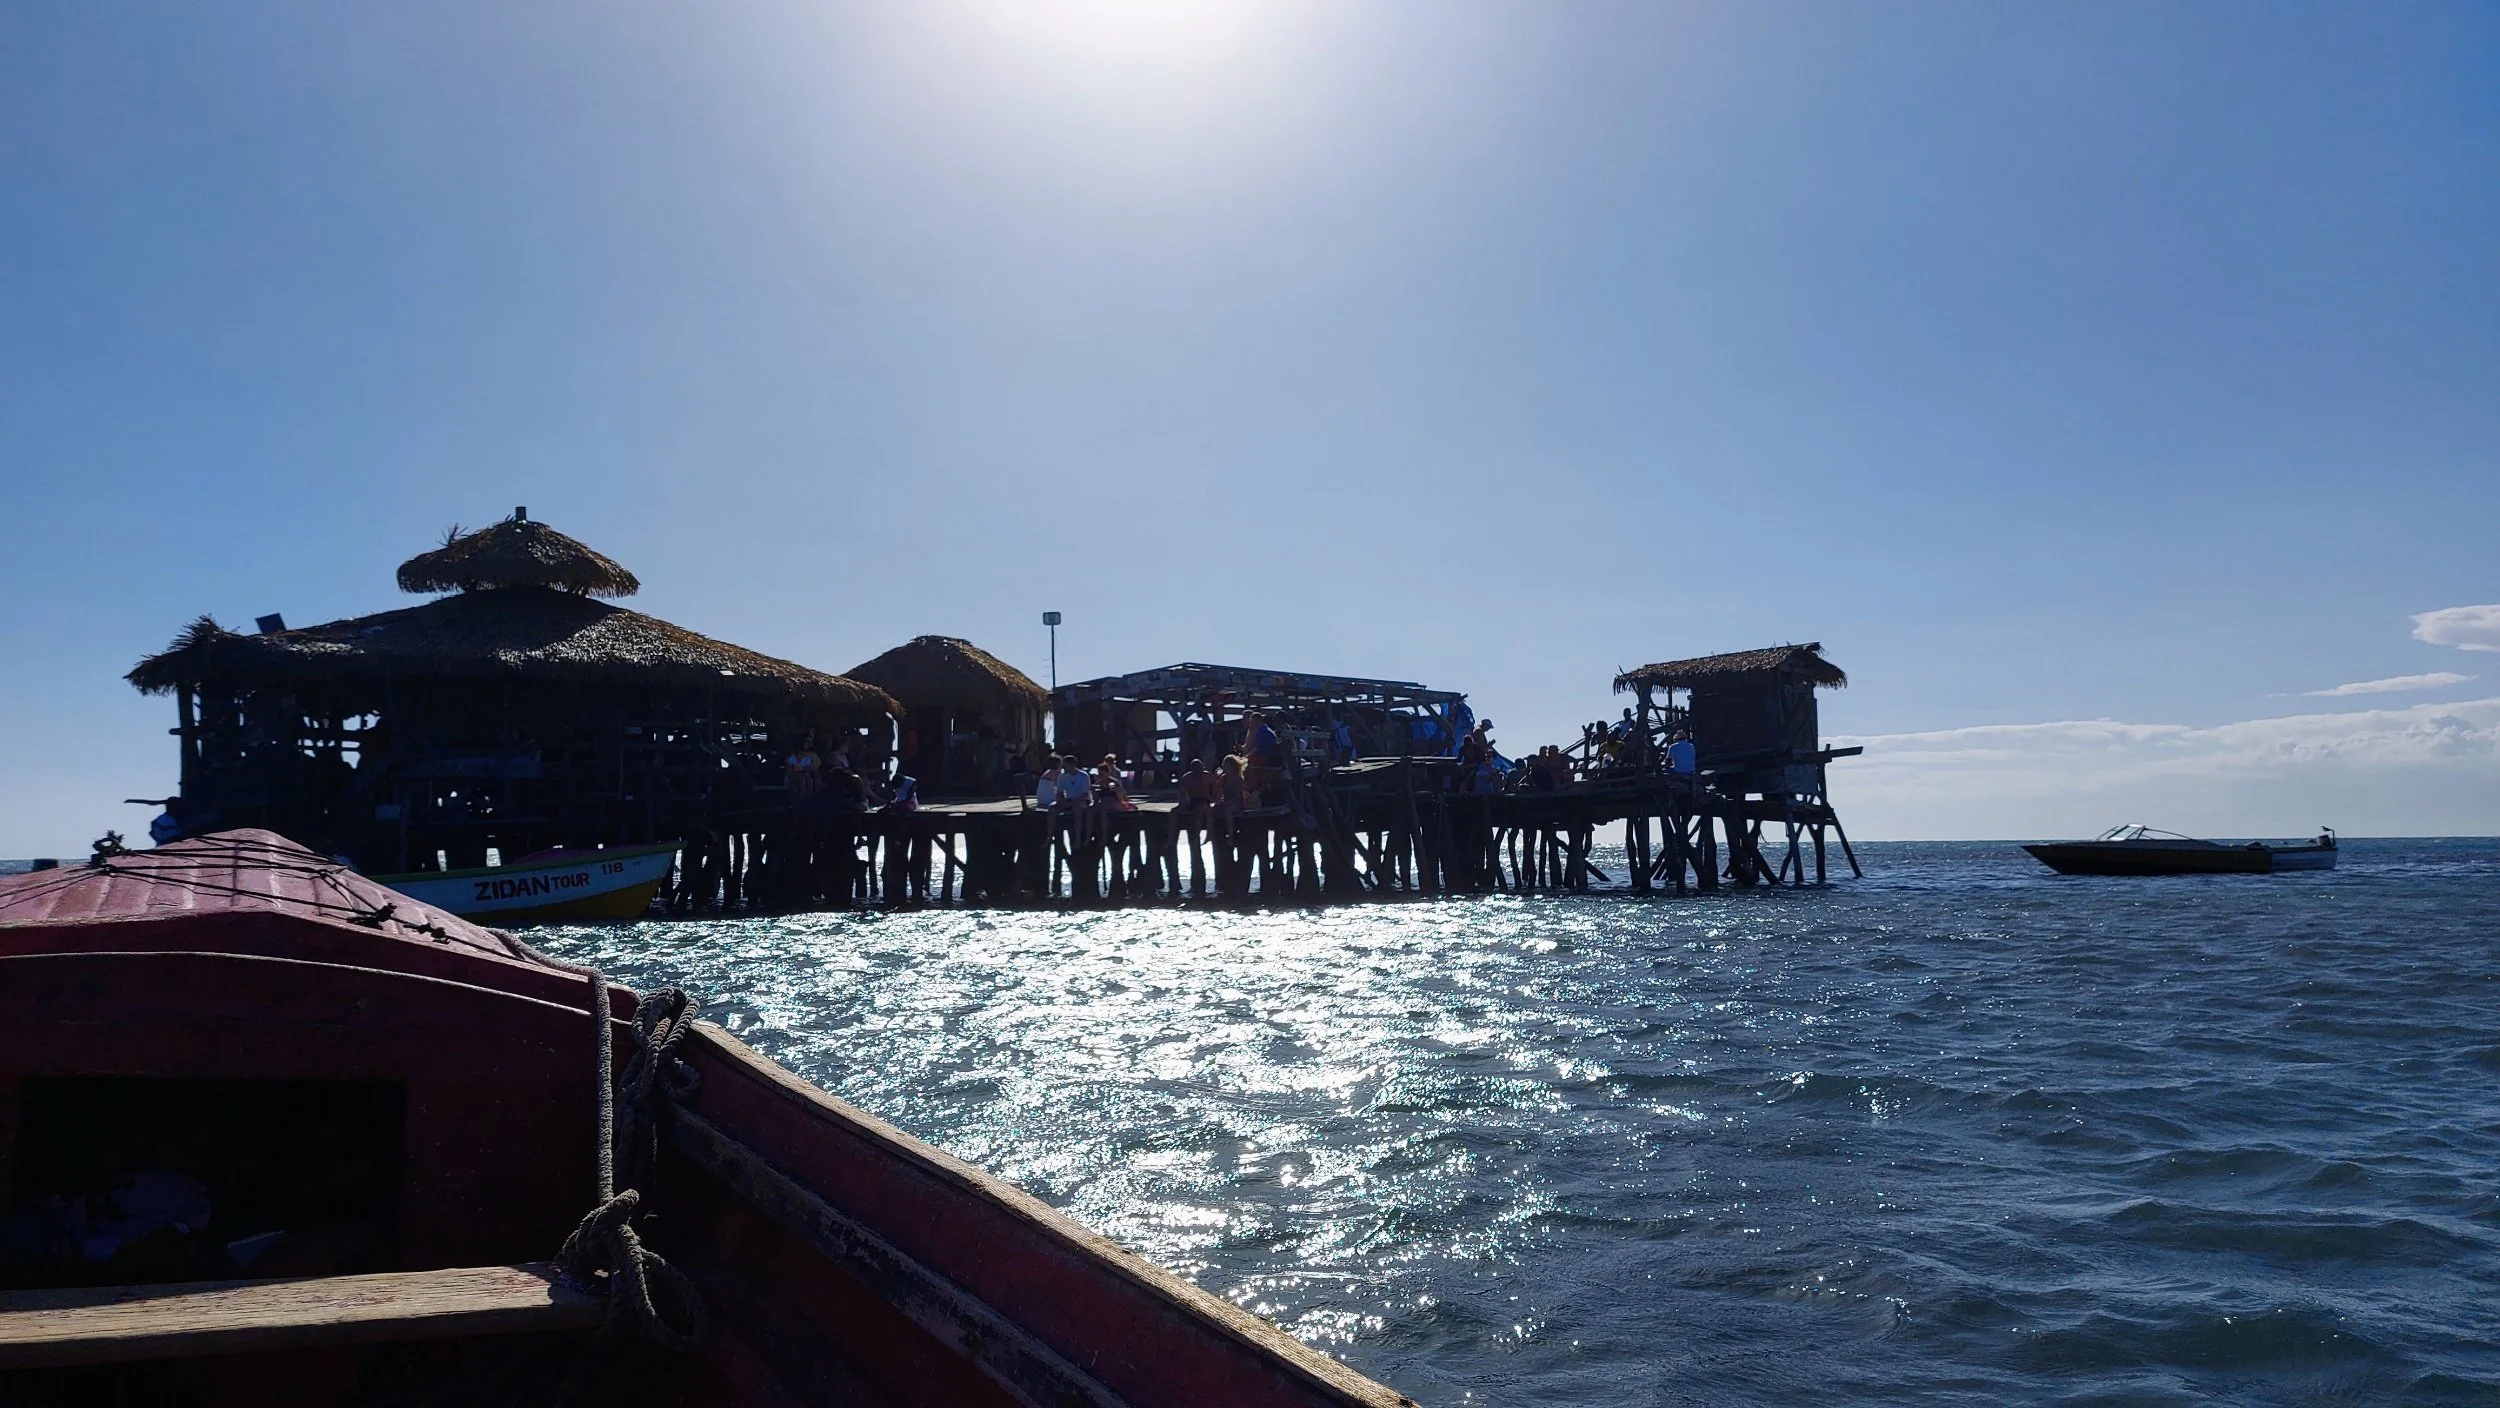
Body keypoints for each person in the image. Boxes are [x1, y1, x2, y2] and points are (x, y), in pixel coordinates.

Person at [786, 732, 822, 802]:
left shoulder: (812, 756)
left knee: (809, 780)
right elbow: (789, 772)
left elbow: (815, 771)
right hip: (794, 779)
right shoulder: (793, 756)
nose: (809, 744)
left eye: (810, 742)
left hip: (808, 779)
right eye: (807, 742)